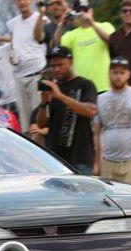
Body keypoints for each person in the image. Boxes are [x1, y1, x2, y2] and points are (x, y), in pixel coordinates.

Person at [94, 56, 131, 187]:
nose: (118, 76)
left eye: (122, 73)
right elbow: (97, 133)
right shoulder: (100, 99)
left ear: (128, 74)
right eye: (115, 72)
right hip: (107, 162)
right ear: (109, 73)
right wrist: (97, 162)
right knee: (109, 198)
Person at [36, 46, 97, 174]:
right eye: (53, 66)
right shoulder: (52, 88)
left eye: (60, 64)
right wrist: (44, 103)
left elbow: (91, 111)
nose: (56, 69)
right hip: (55, 159)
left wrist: (61, 96)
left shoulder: (85, 84)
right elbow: (41, 124)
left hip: (80, 157)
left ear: (71, 62)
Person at [7, 0, 48, 131]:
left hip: (36, 73)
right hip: (19, 75)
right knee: (24, 122)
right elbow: (13, 44)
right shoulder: (13, 23)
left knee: (37, 119)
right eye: (19, 0)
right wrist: (12, 55)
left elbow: (42, 38)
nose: (22, 2)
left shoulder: (41, 18)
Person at [58, 0, 115, 93]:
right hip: (82, 88)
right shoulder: (71, 35)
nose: (82, 14)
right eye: (79, 12)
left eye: (85, 11)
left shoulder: (105, 26)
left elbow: (112, 42)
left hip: (104, 86)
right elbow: (56, 47)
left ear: (91, 11)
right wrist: (61, 25)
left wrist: (92, 23)